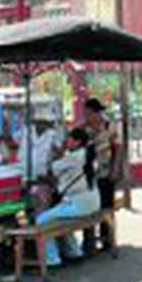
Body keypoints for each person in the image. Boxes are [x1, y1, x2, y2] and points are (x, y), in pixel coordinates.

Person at [35, 128, 100, 267]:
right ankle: (74, 251)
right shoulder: (88, 154)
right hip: (92, 202)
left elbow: (53, 167)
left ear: (77, 142)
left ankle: (52, 258)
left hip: (79, 204)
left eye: (69, 139)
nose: (66, 141)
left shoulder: (74, 157)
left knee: (41, 220)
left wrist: (61, 151)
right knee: (60, 216)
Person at [80, 97, 120, 254]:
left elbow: (118, 148)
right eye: (85, 114)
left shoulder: (110, 126)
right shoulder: (84, 129)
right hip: (88, 174)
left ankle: (109, 239)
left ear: (97, 113)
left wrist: (115, 168)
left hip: (105, 170)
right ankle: (88, 240)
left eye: (89, 113)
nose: (87, 117)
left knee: (106, 207)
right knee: (89, 207)